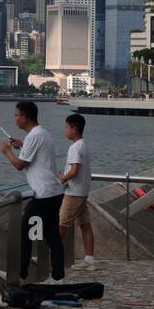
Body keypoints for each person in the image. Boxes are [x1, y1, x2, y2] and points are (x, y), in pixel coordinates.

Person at [0, 100, 65, 283]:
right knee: (52, 235)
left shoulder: (34, 136)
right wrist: (21, 146)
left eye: (16, 114)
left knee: (24, 231)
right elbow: (33, 156)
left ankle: (19, 273)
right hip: (54, 192)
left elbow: (20, 165)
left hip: (44, 195)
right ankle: (58, 277)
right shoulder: (40, 133)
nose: (15, 118)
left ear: (25, 117)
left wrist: (7, 151)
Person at [57, 112, 96, 268]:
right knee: (85, 225)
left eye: (66, 127)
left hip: (74, 193)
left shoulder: (74, 147)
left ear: (74, 129)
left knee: (61, 225)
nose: (65, 130)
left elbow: (74, 170)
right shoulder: (83, 145)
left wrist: (62, 177)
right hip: (83, 191)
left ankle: (51, 258)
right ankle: (89, 259)